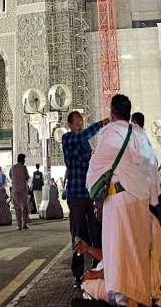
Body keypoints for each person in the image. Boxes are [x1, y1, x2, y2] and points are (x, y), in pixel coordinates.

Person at [86, 93, 160, 307]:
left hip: (117, 202)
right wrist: (152, 197)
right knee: (137, 249)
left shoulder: (110, 134)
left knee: (118, 251)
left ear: (112, 112)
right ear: (128, 113)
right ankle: (139, 295)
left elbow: (95, 169)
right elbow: (151, 167)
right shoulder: (139, 135)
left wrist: (95, 197)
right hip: (139, 200)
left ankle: (123, 299)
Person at [62, 107, 108, 287]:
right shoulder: (68, 138)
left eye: (82, 120)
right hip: (76, 194)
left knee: (97, 231)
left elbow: (90, 162)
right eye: (78, 120)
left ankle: (98, 268)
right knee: (79, 234)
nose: (81, 122)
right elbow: (83, 137)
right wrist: (102, 124)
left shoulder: (85, 143)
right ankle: (77, 273)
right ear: (70, 124)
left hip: (90, 194)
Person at [9, 153, 31, 231]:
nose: (24, 161)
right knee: (24, 207)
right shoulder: (24, 167)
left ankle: (19, 226)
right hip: (23, 190)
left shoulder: (12, 167)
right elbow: (27, 177)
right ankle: (24, 224)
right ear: (21, 159)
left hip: (15, 190)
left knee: (17, 208)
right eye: (24, 159)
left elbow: (11, 177)